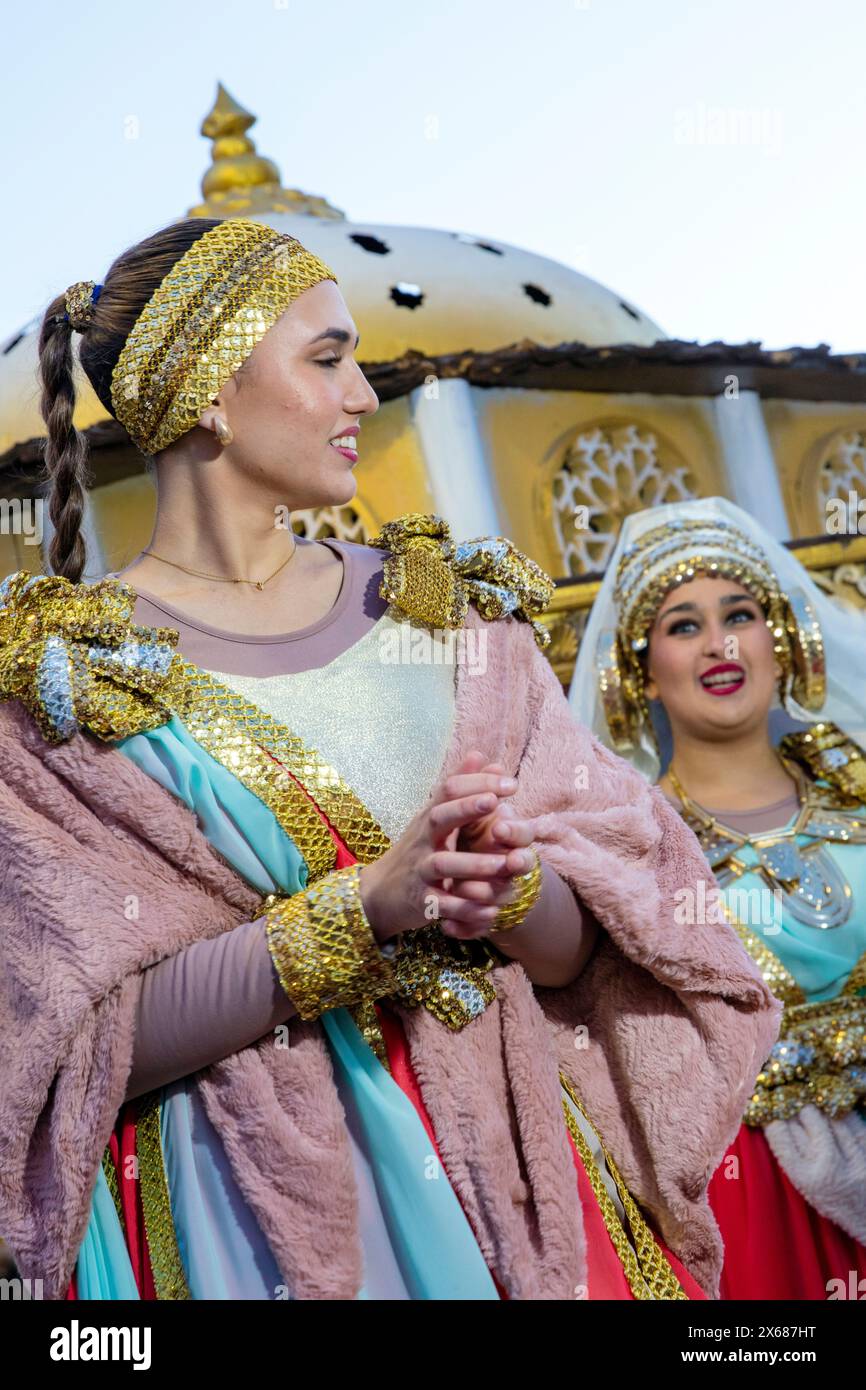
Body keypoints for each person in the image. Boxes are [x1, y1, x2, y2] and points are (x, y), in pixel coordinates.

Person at [0, 220, 779, 1301]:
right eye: (326, 359)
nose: (364, 395)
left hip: (514, 1181)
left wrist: (515, 888)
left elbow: (581, 959)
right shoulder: (62, 685)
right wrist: (362, 909)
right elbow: (61, 1048)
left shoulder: (447, 616)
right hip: (245, 1218)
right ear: (206, 390)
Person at [569, 494, 866, 1299]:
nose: (720, 642)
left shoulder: (860, 797)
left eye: (738, 612)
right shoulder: (637, 853)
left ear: (783, 637)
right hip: (762, 1196)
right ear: (640, 675)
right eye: (683, 625)